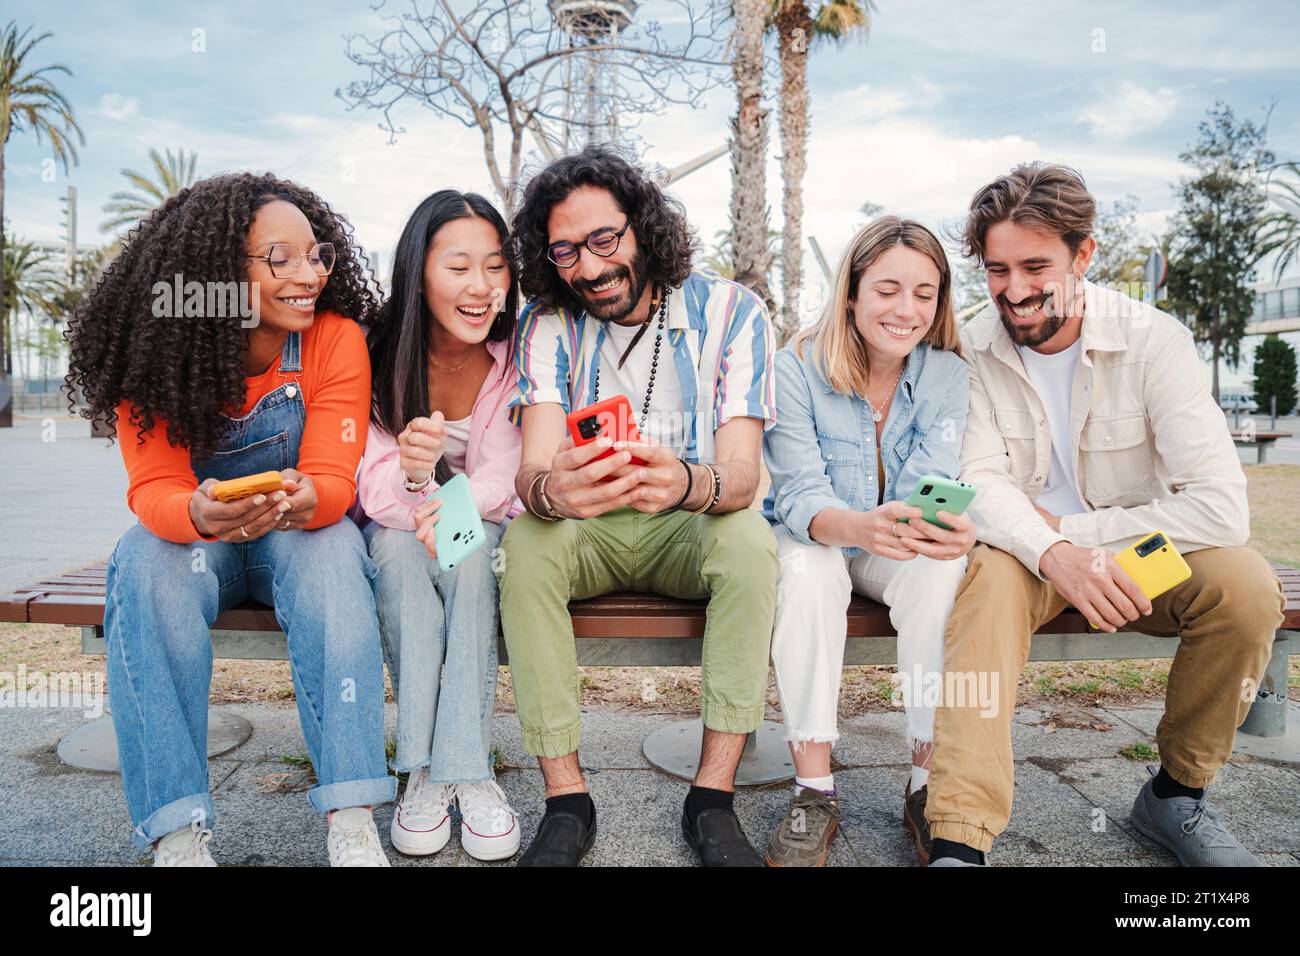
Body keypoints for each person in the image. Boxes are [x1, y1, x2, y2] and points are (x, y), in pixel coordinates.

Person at [925, 162, 1286, 867]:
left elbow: (1220, 507)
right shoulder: (968, 348)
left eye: (1036, 267)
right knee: (989, 585)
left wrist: (1075, 537)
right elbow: (976, 480)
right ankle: (959, 838)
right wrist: (1051, 550)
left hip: (1132, 556)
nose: (1015, 290)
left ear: (1084, 256)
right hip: (1024, 556)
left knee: (1244, 585)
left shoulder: (1155, 342)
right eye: (997, 270)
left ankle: (1177, 796)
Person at [65, 173, 394, 866]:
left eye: (317, 254)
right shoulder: (151, 353)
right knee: (146, 559)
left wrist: (310, 499)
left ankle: (352, 811)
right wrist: (197, 513)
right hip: (198, 543)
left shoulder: (334, 341)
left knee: (335, 550)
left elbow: (334, 478)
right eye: (282, 258)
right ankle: (177, 828)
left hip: (295, 536)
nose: (309, 274)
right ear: (216, 272)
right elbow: (153, 486)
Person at [498, 144, 778, 866]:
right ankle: (566, 799)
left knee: (748, 541)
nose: (589, 268)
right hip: (587, 529)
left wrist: (687, 483)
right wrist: (553, 491)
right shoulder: (547, 322)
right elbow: (532, 470)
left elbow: (742, 476)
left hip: (688, 522)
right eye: (565, 251)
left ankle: (712, 798)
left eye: (603, 240)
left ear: (644, 228)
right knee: (527, 543)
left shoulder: (733, 313)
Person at [762, 216, 973, 867]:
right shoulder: (795, 367)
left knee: (944, 570)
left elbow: (933, 484)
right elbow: (798, 495)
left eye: (924, 292)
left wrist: (946, 525)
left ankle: (925, 780)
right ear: (851, 292)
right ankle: (814, 787)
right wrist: (859, 525)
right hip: (816, 535)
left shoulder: (946, 375)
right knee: (808, 574)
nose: (906, 309)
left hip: (892, 544)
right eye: (887, 289)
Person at [357, 190, 523, 861]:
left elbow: (508, 474)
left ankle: (468, 769)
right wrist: (419, 482)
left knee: (472, 559)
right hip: (398, 524)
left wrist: (447, 507)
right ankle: (422, 774)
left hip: (482, 523)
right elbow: (372, 483)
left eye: (495, 267)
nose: (481, 288)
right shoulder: (376, 353)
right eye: (459, 268)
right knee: (397, 556)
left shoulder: (517, 355)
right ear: (418, 270)